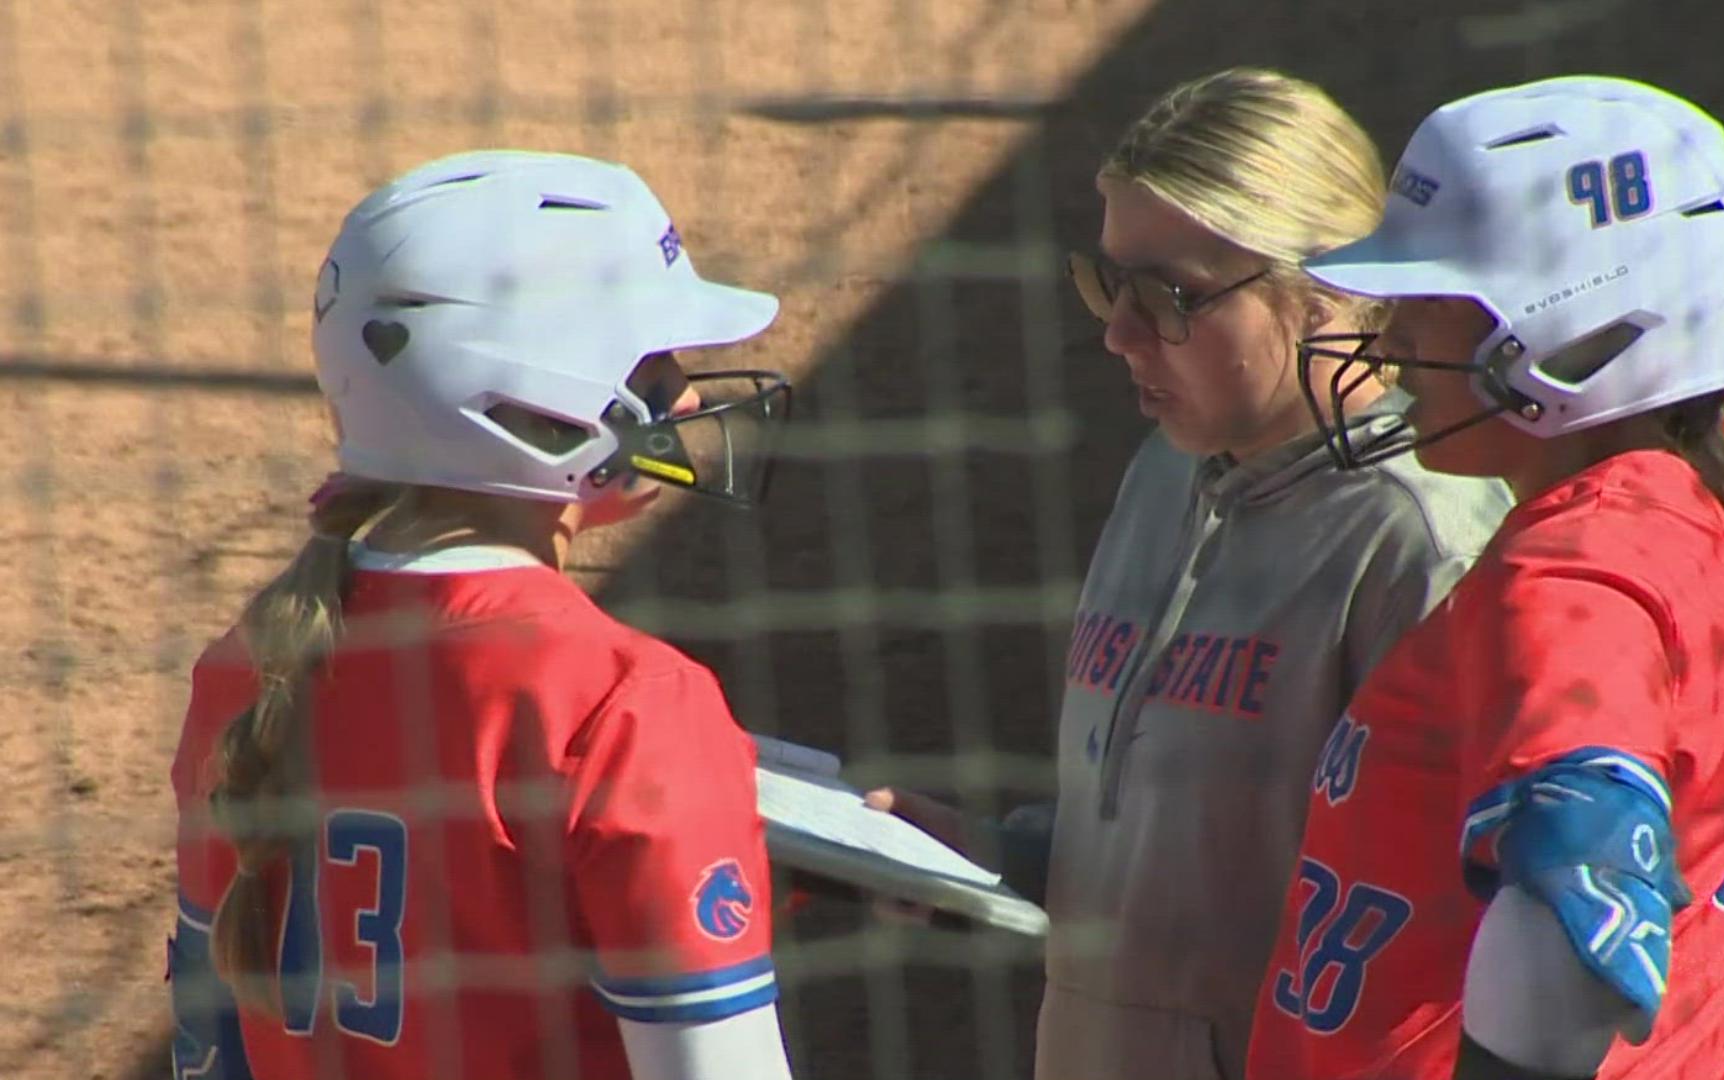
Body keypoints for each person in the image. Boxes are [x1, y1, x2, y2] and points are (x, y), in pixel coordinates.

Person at [866, 67, 1513, 1080]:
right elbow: (1218, 849)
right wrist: (1006, 858)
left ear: (1330, 288)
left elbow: (1462, 925)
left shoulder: (1421, 542)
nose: (1118, 333)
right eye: (1108, 283)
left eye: (1170, 295)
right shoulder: (1167, 473)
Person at [1245, 75, 1724, 1080]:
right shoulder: (1678, 521)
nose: (1389, 342)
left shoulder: (1577, 564)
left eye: (1429, 304)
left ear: (1573, 334)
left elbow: (1580, 915)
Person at [167, 150, 798, 1080]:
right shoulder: (624, 703)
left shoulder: (250, 665)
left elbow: (212, 1045)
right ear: (544, 399)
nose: (689, 398)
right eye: (655, 368)